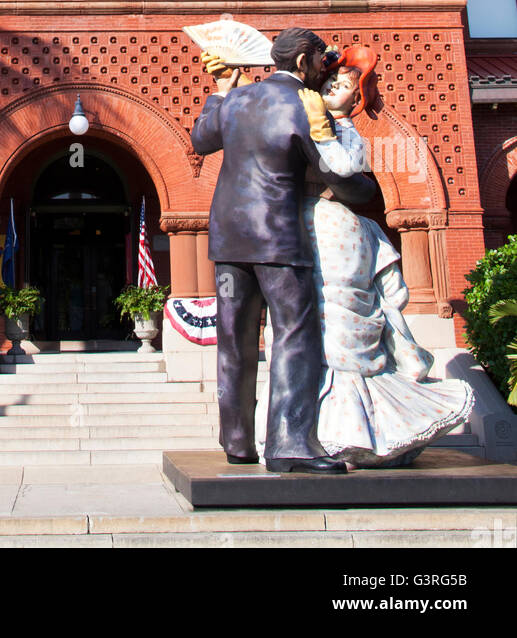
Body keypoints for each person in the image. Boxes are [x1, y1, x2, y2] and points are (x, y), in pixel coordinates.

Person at [191, 27, 376, 474]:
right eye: (318, 61)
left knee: (234, 340)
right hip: (276, 238)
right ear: (301, 63)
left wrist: (220, 93)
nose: (322, 69)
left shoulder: (237, 100)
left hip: (229, 238)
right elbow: (338, 176)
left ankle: (236, 441)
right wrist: (363, 187)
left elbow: (200, 139)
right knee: (295, 335)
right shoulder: (305, 105)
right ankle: (291, 443)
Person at [301, 48, 475, 467]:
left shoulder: (341, 133)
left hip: (333, 228)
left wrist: (324, 128)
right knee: (322, 327)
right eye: (328, 83)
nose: (332, 89)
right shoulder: (300, 124)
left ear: (355, 100)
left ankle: (357, 436)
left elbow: (345, 170)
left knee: (343, 325)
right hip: (308, 226)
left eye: (343, 86)